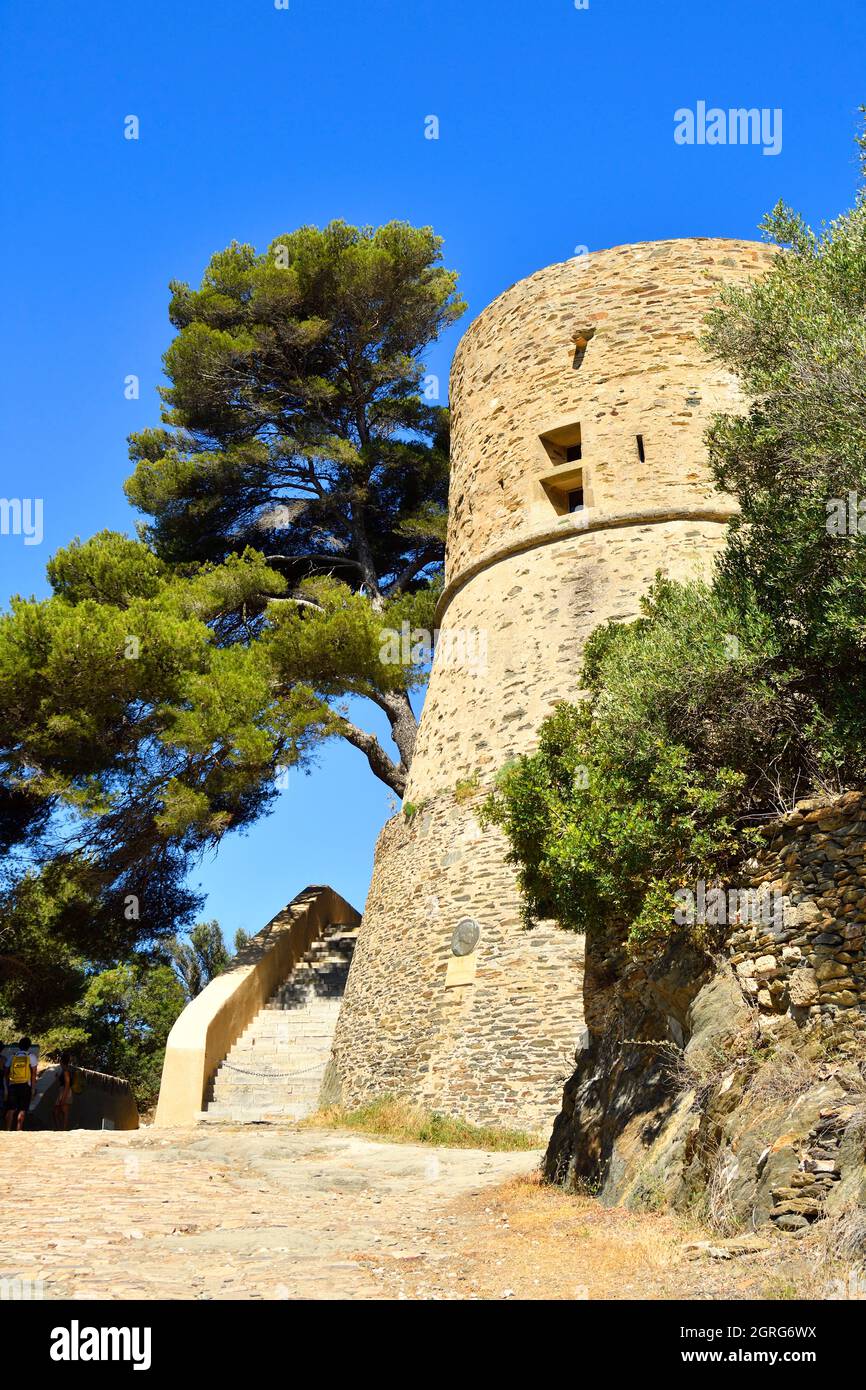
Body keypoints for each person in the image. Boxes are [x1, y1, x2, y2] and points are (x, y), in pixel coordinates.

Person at [4, 1037, 37, 1131]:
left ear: (19, 1046)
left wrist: (8, 1084)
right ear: (29, 1046)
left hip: (13, 1085)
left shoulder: (12, 1056)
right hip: (25, 1085)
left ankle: (7, 1130)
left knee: (11, 1109)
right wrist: (33, 1088)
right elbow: (34, 1074)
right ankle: (19, 1130)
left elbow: (6, 1071)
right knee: (22, 1109)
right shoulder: (31, 1056)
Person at [53, 1053, 74, 1130]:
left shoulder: (65, 1071)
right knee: (59, 1111)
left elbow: (67, 1084)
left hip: (65, 1091)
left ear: (61, 1061)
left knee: (63, 1111)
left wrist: (63, 1097)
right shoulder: (67, 1070)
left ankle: (63, 1129)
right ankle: (61, 1129)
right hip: (65, 1091)